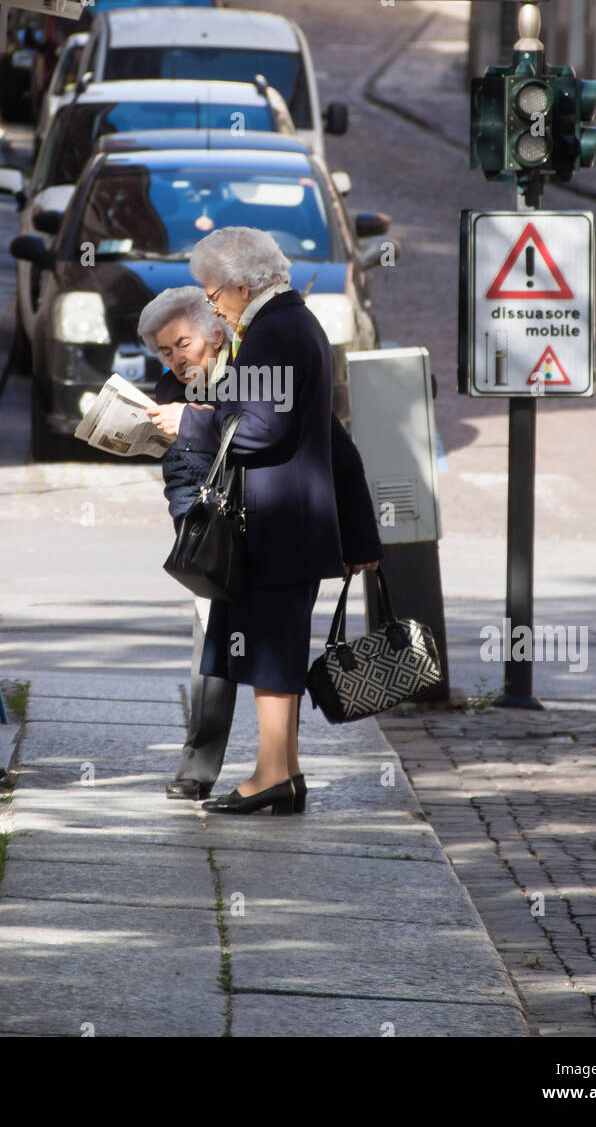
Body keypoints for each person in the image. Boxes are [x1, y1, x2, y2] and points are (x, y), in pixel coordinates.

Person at [147, 227, 382, 816]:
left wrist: (189, 422)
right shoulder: (293, 323)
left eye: (211, 291)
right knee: (273, 649)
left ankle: (271, 774)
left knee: (273, 654)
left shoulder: (274, 330)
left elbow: (260, 430)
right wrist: (359, 535)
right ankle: (285, 773)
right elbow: (331, 438)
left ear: (238, 282)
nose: (210, 304)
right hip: (292, 521)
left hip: (280, 523)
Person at [138, 287, 233, 801]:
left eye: (183, 344)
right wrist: (187, 520)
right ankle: (198, 770)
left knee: (264, 653)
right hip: (206, 531)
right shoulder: (168, 387)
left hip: (260, 522)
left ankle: (280, 770)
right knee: (212, 642)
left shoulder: (247, 377)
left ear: (214, 335)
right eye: (164, 351)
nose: (175, 359)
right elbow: (176, 469)